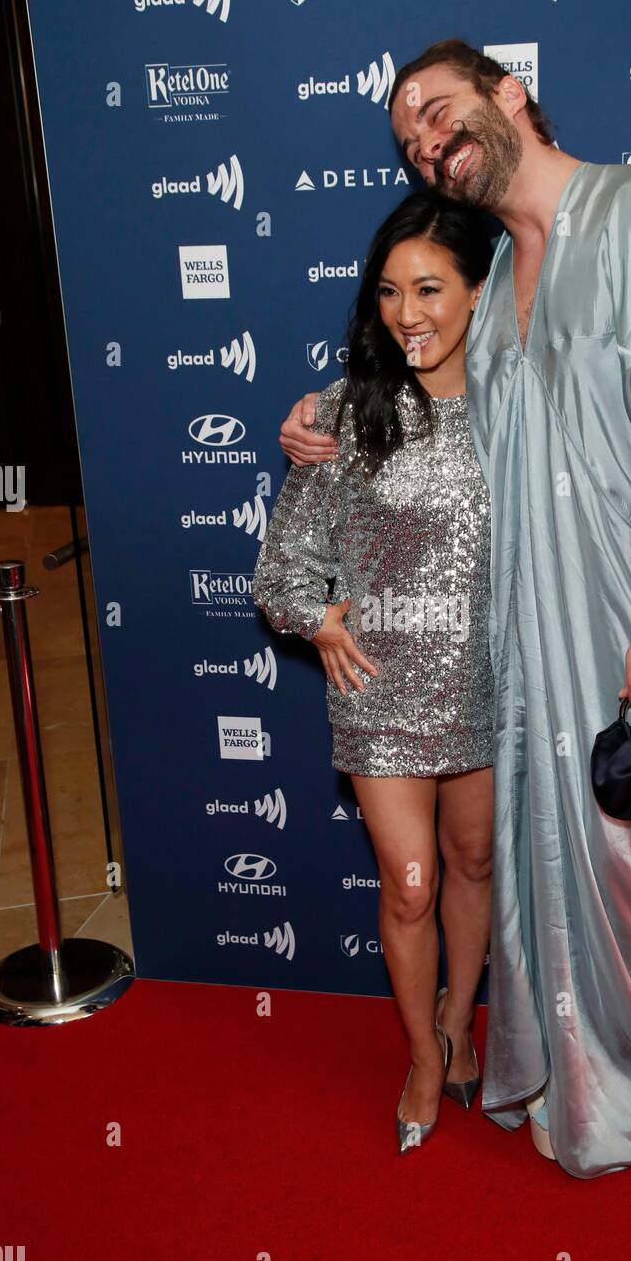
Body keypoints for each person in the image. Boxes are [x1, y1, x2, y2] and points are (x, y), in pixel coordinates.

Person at [278, 39, 631, 1179]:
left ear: (510, 92)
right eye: (408, 139)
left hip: (626, 623)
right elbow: (424, 406)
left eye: (437, 109)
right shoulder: (493, 292)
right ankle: (549, 1070)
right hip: (519, 637)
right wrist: (321, 419)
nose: (429, 140)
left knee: (624, 870)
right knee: (533, 864)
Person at [253, 190, 496, 1155]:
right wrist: (318, 622)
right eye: (391, 292)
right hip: (381, 690)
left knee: (476, 864)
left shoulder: (528, 406)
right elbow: (279, 569)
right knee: (409, 883)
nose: (410, 313)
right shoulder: (346, 415)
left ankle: (459, 1022)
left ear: (479, 291)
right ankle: (423, 1058)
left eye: (432, 287)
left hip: (489, 679)